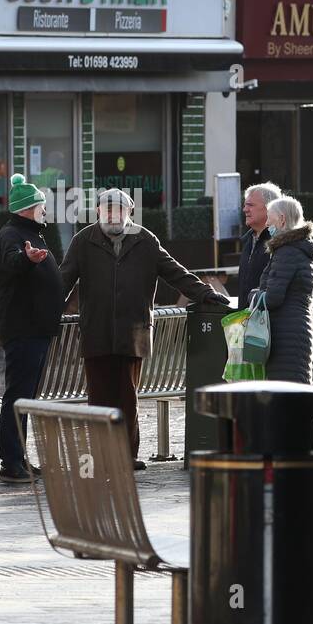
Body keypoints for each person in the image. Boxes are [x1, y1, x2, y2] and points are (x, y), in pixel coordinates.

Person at [61, 188, 230, 468]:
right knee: (99, 396)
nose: (112, 214)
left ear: (129, 212)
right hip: (97, 331)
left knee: (127, 395)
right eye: (107, 209)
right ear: (99, 213)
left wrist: (205, 293)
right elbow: (63, 279)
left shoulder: (145, 239)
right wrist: (45, 310)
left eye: (118, 209)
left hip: (133, 331)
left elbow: (174, 272)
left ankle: (127, 455)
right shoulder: (83, 240)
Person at [0, 174, 64, 483]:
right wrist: (27, 258)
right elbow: (11, 261)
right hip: (24, 329)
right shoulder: (12, 234)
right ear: (27, 208)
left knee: (26, 396)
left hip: (35, 329)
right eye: (40, 206)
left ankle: (18, 457)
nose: (44, 210)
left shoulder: (29, 232)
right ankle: (10, 462)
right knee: (18, 396)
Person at [255, 196, 313, 384]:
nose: (267, 223)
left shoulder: (287, 251)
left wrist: (254, 295)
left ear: (282, 219)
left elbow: (273, 297)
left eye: (270, 218)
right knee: (297, 393)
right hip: (297, 330)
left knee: (287, 396)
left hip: (285, 335)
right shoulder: (301, 249)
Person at [239, 182, 282, 302]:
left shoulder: (281, 240)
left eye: (250, 205)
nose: (245, 209)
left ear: (269, 207)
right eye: (245, 205)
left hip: (270, 318)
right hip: (248, 318)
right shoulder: (248, 240)